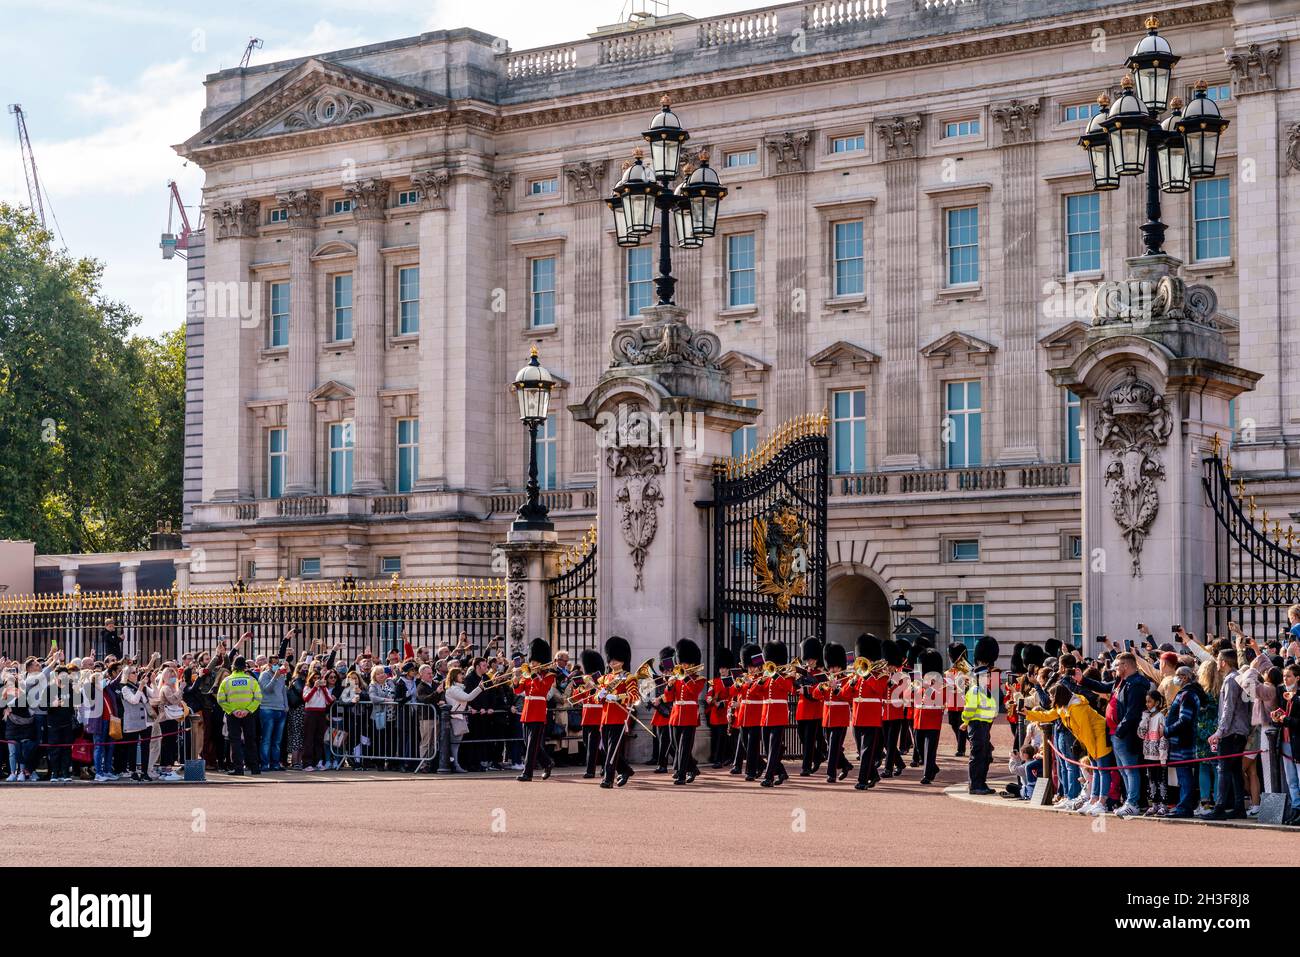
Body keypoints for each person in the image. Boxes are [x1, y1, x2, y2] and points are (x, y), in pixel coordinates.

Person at [1023, 683, 1114, 816]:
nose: (1050, 698)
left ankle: (1101, 802)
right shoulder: (1063, 707)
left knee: (1102, 770)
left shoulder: (1077, 708)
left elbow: (1087, 731)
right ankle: (1094, 800)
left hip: (1098, 736)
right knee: (1095, 771)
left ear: (1058, 696)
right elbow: (1048, 715)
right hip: (1090, 740)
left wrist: (1091, 751)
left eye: (1051, 695)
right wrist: (1027, 713)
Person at [1199, 647, 1250, 820]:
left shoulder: (1230, 680)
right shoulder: (1238, 678)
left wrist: (1219, 732)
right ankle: (1238, 807)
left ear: (1224, 662)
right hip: (1239, 730)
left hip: (1231, 732)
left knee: (1223, 770)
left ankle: (1220, 807)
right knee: (1235, 770)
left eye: (1219, 659)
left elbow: (1228, 709)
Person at [1164, 665, 1207, 818]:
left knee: (1184, 775)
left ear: (1184, 677)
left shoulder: (1187, 694)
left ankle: (1184, 807)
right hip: (1183, 740)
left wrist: (1167, 730)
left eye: (1178, 675)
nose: (1175, 678)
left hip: (1182, 741)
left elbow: (1184, 719)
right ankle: (1184, 805)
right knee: (1184, 775)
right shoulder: (1189, 693)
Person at [513, 638, 556, 782]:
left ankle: (527, 773)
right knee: (528, 743)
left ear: (542, 661)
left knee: (532, 745)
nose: (532, 664)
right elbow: (519, 690)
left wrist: (535, 676)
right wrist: (515, 680)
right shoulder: (527, 674)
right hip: (526, 711)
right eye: (532, 661)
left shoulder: (549, 675)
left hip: (538, 711)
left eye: (535, 661)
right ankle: (547, 762)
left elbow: (542, 689)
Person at [664, 638, 705, 785]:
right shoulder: (677, 678)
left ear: (692, 664)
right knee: (676, 745)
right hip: (675, 715)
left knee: (684, 746)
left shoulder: (699, 679)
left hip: (689, 715)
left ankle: (681, 774)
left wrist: (685, 677)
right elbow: (668, 697)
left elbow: (694, 691)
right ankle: (692, 768)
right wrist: (669, 686)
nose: (682, 665)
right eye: (681, 663)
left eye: (685, 663)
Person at [962, 635, 1000, 795]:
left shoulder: (983, 687)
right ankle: (975, 784)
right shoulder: (976, 686)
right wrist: (965, 721)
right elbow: (970, 707)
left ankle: (981, 782)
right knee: (978, 753)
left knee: (985, 754)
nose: (989, 677)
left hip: (984, 723)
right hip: (976, 723)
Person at [598, 635, 637, 789]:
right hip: (605, 718)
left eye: (616, 658)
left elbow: (634, 696)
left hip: (618, 718)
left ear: (623, 659)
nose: (613, 661)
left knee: (612, 751)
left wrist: (618, 697)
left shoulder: (628, 678)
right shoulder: (604, 679)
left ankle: (608, 779)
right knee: (606, 749)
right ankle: (626, 770)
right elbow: (597, 699)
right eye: (611, 658)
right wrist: (599, 696)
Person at [812, 641, 852, 784]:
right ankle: (845, 765)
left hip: (840, 717)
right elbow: (815, 695)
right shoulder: (827, 679)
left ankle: (831, 774)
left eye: (835, 667)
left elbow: (848, 697)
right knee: (830, 746)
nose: (833, 669)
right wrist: (822, 688)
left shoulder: (847, 679)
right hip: (827, 717)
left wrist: (836, 689)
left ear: (841, 666)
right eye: (831, 667)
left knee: (834, 747)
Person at [216, 655, 263, 776]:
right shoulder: (252, 680)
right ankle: (254, 768)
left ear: (233, 667)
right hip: (248, 714)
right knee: (250, 740)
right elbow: (258, 698)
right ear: (245, 668)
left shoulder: (226, 681)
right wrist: (248, 710)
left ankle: (238, 768)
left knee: (235, 741)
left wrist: (233, 710)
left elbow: (220, 699)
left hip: (233, 715)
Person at [758, 641, 793, 788]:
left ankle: (769, 777)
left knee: (773, 748)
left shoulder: (787, 675)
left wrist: (776, 676)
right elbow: (756, 692)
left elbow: (789, 688)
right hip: (766, 716)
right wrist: (761, 681)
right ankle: (782, 772)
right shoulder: (765, 676)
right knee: (767, 749)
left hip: (778, 715)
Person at [729, 643, 764, 780]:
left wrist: (751, 684)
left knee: (752, 744)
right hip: (743, 715)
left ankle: (750, 772)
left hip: (756, 714)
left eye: (753, 666)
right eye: (748, 666)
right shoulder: (744, 678)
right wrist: (740, 683)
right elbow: (731, 691)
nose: (751, 669)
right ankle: (761, 765)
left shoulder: (762, 678)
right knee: (745, 743)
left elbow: (761, 693)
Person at [570, 649, 606, 778]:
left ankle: (590, 770)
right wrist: (579, 687)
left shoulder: (601, 680)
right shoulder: (585, 680)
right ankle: (605, 765)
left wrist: (594, 688)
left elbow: (603, 696)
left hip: (597, 715)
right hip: (586, 715)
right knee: (587, 743)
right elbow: (576, 698)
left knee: (594, 745)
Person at [913, 649, 946, 785]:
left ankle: (927, 775)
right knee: (919, 747)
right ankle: (933, 767)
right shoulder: (919, 680)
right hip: (918, 718)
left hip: (932, 719)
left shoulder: (941, 683)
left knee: (930, 749)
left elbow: (942, 697)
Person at [443, 666, 483, 772]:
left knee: (456, 744)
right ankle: (455, 765)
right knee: (454, 744)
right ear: (454, 676)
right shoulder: (453, 689)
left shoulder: (457, 688)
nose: (462, 676)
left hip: (458, 717)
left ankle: (456, 764)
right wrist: (479, 688)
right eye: (460, 674)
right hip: (455, 717)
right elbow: (467, 698)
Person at [794, 638, 824, 777]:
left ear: (817, 659)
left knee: (809, 740)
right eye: (807, 659)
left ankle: (806, 767)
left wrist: (806, 690)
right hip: (801, 710)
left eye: (811, 659)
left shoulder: (820, 674)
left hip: (813, 710)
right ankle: (817, 757)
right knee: (802, 738)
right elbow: (794, 689)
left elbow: (820, 691)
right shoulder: (802, 672)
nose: (809, 662)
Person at [1138, 687, 1169, 816]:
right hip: (1148, 754)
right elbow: (1140, 734)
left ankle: (1164, 804)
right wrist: (1144, 719)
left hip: (1158, 756)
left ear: (1156, 703)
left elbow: (1163, 738)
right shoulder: (1146, 717)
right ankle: (1155, 804)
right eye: (1146, 702)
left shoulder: (1161, 717)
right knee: (1151, 780)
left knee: (1161, 780)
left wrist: (1163, 757)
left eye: (1149, 702)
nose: (1147, 704)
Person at [258, 656, 289, 772]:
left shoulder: (281, 675)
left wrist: (286, 706)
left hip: (280, 710)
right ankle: (265, 764)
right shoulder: (264, 675)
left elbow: (283, 691)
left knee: (277, 740)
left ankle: (275, 763)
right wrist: (275, 678)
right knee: (266, 739)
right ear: (270, 665)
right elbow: (266, 689)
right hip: (267, 709)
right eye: (275, 664)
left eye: (278, 663)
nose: (277, 666)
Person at [706, 648, 734, 769]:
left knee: (723, 737)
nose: (722, 670)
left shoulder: (732, 681)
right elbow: (709, 694)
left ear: (728, 669)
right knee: (716, 737)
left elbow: (733, 697)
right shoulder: (714, 681)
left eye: (724, 668)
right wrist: (709, 699)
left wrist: (722, 703)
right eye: (721, 668)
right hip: (715, 713)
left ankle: (721, 759)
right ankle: (716, 757)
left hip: (725, 712)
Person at [302, 669, 334, 771]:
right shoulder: (307, 687)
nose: (316, 680)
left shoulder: (323, 689)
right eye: (314, 678)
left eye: (318, 678)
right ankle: (307, 763)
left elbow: (329, 701)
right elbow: (306, 699)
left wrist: (324, 688)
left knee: (319, 739)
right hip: (310, 713)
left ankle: (318, 761)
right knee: (309, 738)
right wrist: (314, 688)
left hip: (321, 713)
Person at [945, 643, 970, 757]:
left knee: (961, 725)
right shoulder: (949, 672)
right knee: (953, 724)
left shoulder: (967, 671)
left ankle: (961, 749)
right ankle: (987, 745)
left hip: (962, 701)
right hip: (951, 702)